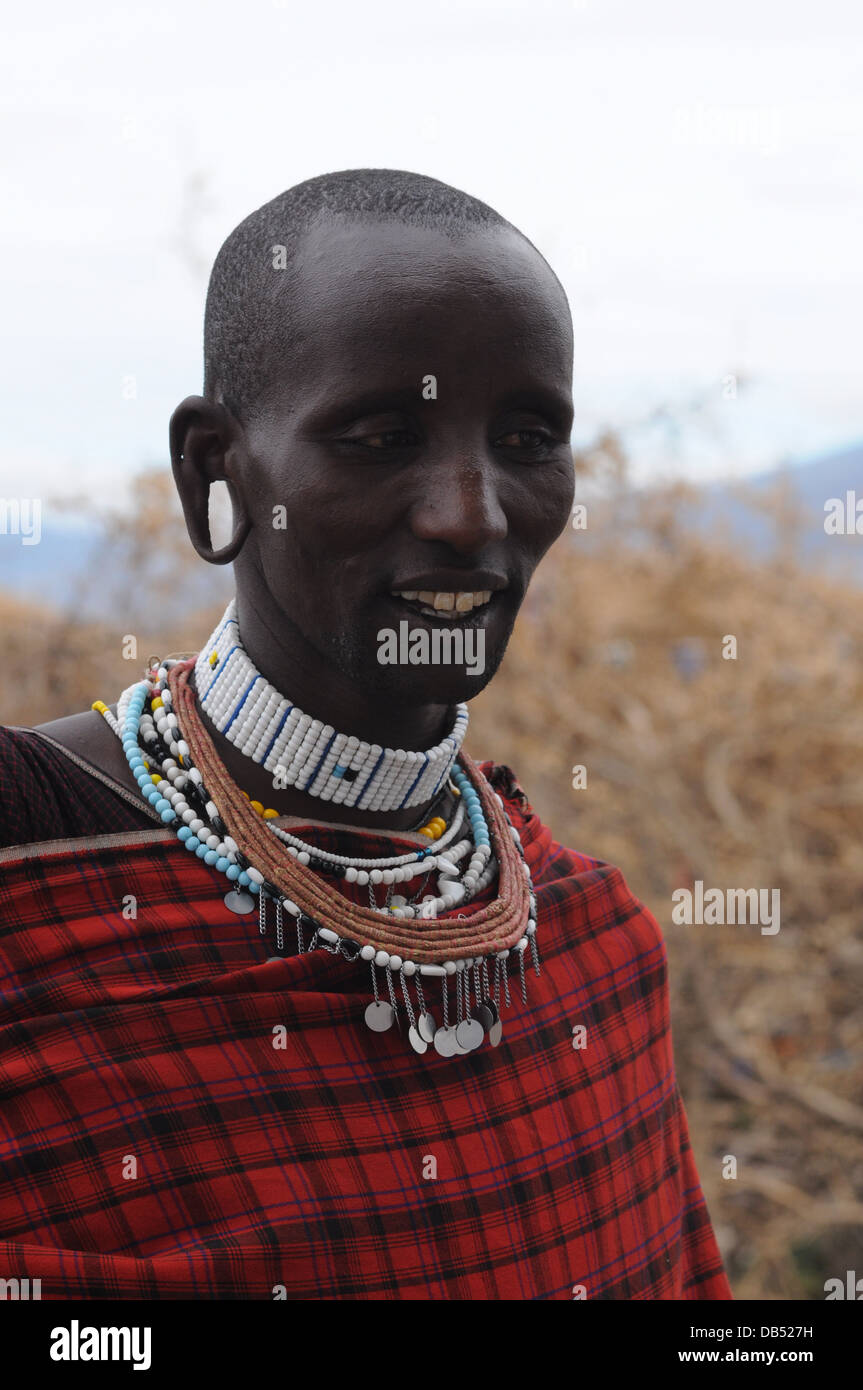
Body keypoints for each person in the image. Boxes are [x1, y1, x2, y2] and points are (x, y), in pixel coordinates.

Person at [0, 169, 732, 1300]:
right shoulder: (33, 870)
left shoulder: (594, 942)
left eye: (527, 437)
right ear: (214, 471)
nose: (469, 514)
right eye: (383, 436)